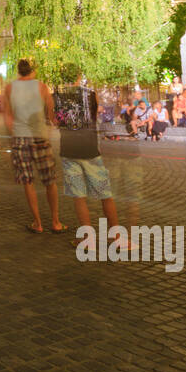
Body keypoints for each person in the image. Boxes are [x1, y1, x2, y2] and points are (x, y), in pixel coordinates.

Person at [56, 85, 129, 254]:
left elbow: (55, 121)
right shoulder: (91, 95)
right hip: (89, 148)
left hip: (69, 150)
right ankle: (116, 236)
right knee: (105, 194)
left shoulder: (58, 96)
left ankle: (87, 239)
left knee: (79, 196)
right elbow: (94, 117)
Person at [3, 58, 65, 233]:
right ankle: (55, 221)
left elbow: (7, 115)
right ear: (32, 71)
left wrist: (12, 134)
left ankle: (37, 223)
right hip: (40, 136)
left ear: (18, 71)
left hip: (20, 137)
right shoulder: (42, 87)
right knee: (50, 180)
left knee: (28, 181)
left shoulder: (9, 88)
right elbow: (51, 112)